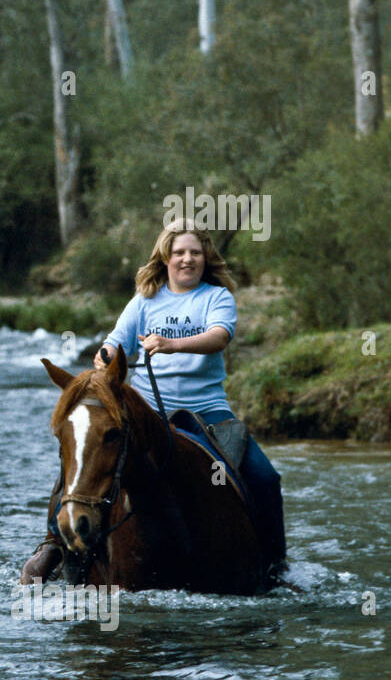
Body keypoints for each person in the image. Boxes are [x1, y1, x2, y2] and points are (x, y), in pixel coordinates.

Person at [23, 218, 285, 580]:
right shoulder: (144, 301)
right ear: (165, 258)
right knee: (83, 461)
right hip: (147, 414)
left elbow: (219, 337)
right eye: (179, 252)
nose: (187, 259)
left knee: (265, 477)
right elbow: (116, 340)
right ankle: (54, 544)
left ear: (206, 259)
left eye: (195, 252)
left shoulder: (216, 297)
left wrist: (171, 344)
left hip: (207, 414)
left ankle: (274, 567)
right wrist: (106, 354)